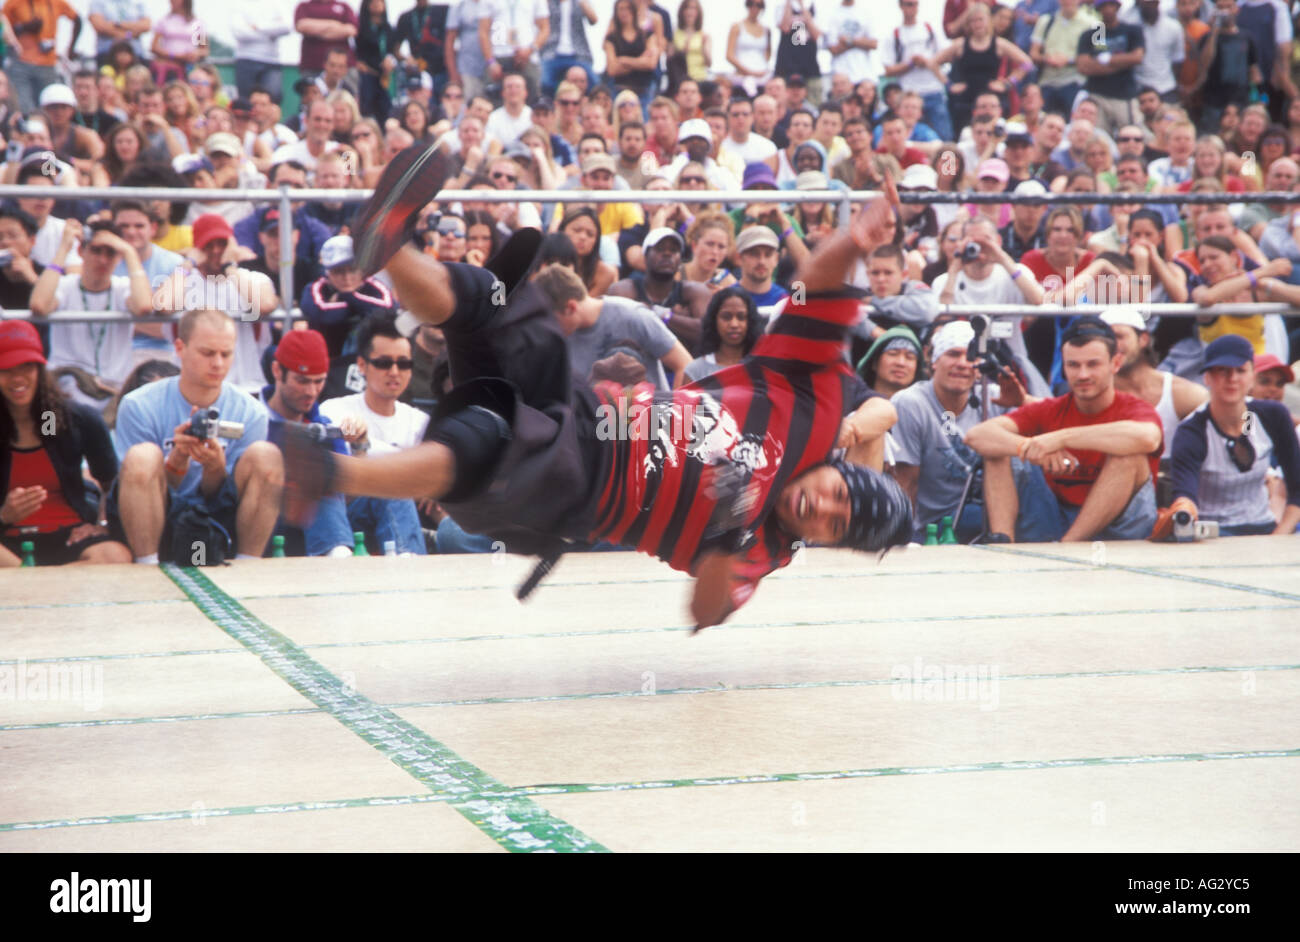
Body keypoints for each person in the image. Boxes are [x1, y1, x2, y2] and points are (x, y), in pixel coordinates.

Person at [280, 148, 914, 630]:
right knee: (493, 305)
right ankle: (386, 241)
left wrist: (729, 528)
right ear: (836, 471)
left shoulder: (764, 549)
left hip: (580, 489)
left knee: (490, 438)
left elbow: (706, 610)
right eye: (838, 498)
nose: (822, 511)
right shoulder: (813, 404)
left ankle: (329, 473)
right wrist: (857, 240)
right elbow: (822, 292)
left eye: (836, 527)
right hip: (586, 405)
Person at [966, 316, 1162, 543]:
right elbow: (977, 435)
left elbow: (1147, 438)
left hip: (1116, 531)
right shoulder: (1052, 408)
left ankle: (1070, 546)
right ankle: (1003, 546)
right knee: (997, 450)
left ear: (1115, 364)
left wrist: (1059, 440)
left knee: (1130, 457)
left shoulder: (1134, 408)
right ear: (1064, 365)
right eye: (1073, 365)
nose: (1083, 375)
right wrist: (1029, 448)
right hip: (1053, 518)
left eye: (1093, 364)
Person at [112, 308, 281, 565]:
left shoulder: (251, 411)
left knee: (267, 456)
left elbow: (224, 496)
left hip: (219, 517)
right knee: (142, 457)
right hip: (159, 514)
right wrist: (176, 461)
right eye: (207, 353)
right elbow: (139, 485)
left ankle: (249, 564)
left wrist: (215, 468)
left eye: (226, 354)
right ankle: (146, 565)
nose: (218, 363)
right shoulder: (138, 404)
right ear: (180, 348)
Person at [0, 321, 131, 567]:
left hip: (68, 535)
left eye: (27, 366)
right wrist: (3, 516)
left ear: (40, 369)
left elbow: (111, 483)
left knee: (115, 555)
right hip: (7, 544)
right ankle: (45, 581)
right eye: (6, 369)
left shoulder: (80, 420)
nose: (17, 378)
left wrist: (101, 524)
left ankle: (31, 583)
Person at [890, 319, 1032, 543]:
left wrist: (1023, 401)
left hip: (993, 513)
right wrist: (902, 541)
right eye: (953, 354)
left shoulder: (993, 394)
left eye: (971, 357)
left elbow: (1057, 412)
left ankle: (1020, 546)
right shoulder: (910, 402)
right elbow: (906, 480)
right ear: (933, 360)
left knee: (1021, 456)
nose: (963, 364)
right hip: (936, 525)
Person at [1166, 335, 1300, 537]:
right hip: (1212, 532)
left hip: (1265, 527)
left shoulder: (1273, 416)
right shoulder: (1192, 431)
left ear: (1252, 375)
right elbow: (1186, 495)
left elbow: (1297, 488)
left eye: (1241, 370)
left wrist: (1278, 537)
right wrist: (1184, 510)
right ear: (1207, 377)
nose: (1233, 378)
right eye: (1223, 371)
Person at [29, 219, 153, 411]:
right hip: (66, 387)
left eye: (110, 252)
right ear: (81, 252)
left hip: (114, 391)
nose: (103, 260)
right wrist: (64, 248)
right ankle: (50, 437)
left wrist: (128, 251)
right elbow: (39, 305)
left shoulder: (123, 287)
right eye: (96, 251)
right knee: (49, 429)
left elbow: (144, 306)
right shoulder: (66, 284)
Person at [538, 262, 692, 391]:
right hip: (593, 422)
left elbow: (685, 365)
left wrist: (674, 416)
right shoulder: (558, 337)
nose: (549, 326)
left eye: (552, 319)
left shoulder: (633, 316)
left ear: (570, 308)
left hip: (649, 420)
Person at [1102, 307, 1209, 466]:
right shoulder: (1093, 397)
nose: (1113, 345)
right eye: (1106, 339)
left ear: (1143, 339)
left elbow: (1235, 427)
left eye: (1119, 336)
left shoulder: (1181, 393)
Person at [300, 235, 397, 359]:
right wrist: (362, 309)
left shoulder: (373, 284)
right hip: (328, 359)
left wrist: (347, 297)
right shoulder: (316, 287)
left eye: (352, 270)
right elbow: (320, 313)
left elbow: (388, 308)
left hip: (367, 360)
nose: (346, 277)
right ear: (327, 272)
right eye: (338, 271)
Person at [3, 0, 80, 112]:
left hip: (47, 62)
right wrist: (24, 27)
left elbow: (78, 20)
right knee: (23, 106)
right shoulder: (14, 3)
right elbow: (3, 27)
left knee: (48, 105)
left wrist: (71, 49)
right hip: (21, 62)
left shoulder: (56, 2)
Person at [678, 287, 761, 385]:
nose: (734, 324)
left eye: (741, 317)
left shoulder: (760, 369)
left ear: (750, 321)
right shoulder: (695, 371)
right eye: (726, 317)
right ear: (714, 320)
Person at [855, 325, 921, 399]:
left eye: (909, 357)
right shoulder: (850, 401)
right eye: (893, 354)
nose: (901, 363)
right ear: (874, 362)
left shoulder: (922, 409)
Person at [733, 225, 789, 310]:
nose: (762, 261)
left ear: (776, 259)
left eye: (768, 254)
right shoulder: (726, 300)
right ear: (739, 258)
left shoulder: (784, 301)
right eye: (754, 254)